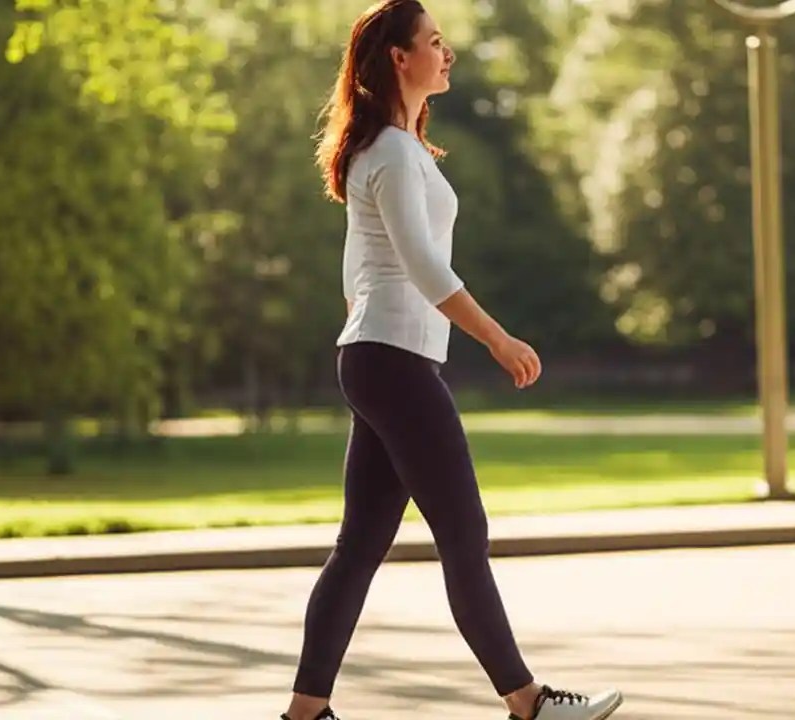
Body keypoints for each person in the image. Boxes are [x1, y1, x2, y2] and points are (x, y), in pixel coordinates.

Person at [280, 2, 624, 719]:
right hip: (392, 361)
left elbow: (361, 270)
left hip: (379, 357)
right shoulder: (394, 154)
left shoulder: (387, 147)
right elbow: (426, 269)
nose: (448, 52)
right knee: (463, 537)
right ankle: (530, 704)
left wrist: (366, 332)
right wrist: (498, 339)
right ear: (399, 58)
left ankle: (305, 715)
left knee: (360, 547)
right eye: (434, 42)